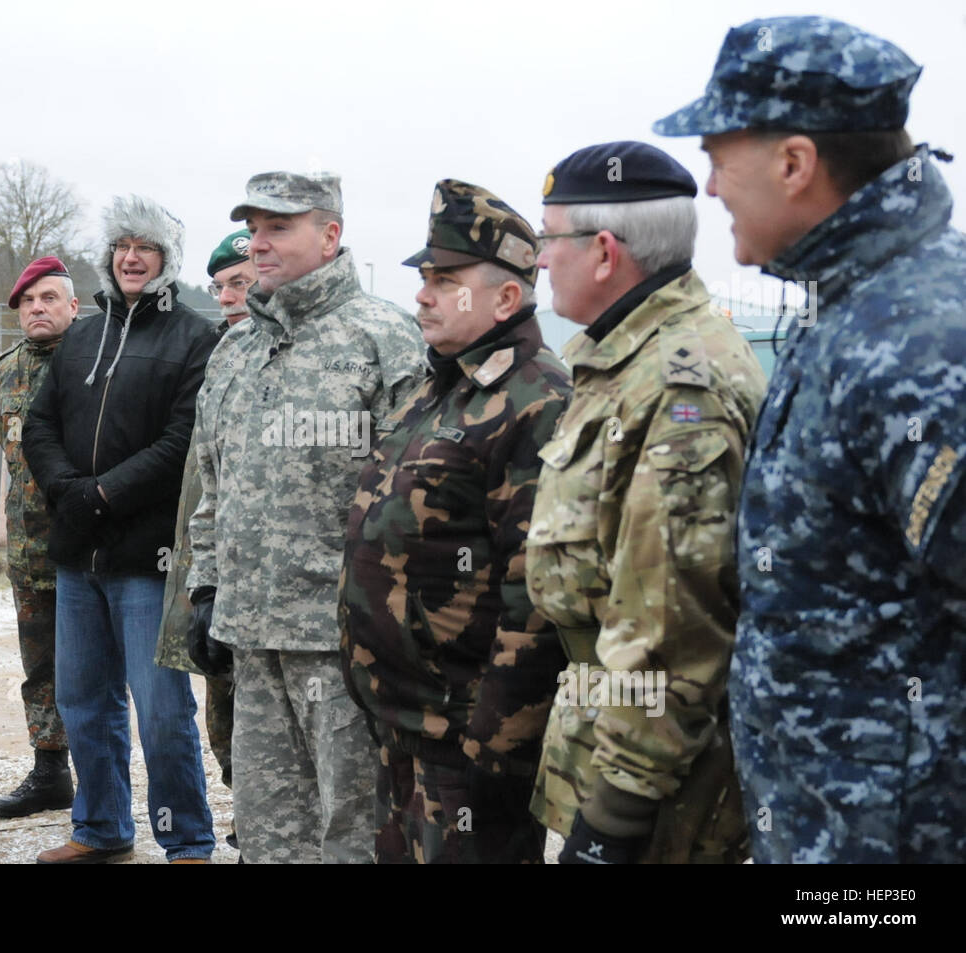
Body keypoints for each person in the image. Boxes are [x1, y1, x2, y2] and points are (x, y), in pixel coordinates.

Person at [654, 15, 966, 863]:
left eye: (719, 158)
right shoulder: (854, 308)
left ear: (794, 164)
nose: (710, 189)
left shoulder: (919, 336)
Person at [525, 142, 765, 863]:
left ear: (603, 252)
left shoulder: (678, 382)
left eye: (548, 238)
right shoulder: (621, 358)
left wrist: (618, 813)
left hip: (664, 786)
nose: (538, 258)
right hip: (615, 742)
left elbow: (671, 618)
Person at [187, 171, 427, 863]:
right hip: (252, 639)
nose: (259, 244)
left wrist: (390, 624)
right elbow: (213, 483)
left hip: (343, 643)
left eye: (279, 228)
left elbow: (413, 502)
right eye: (254, 228)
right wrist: (206, 587)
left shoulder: (384, 340)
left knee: (354, 830)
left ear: (330, 234)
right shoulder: (235, 351)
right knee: (268, 832)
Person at [339, 179, 571, 863]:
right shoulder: (436, 388)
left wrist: (494, 755)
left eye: (445, 278)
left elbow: (536, 599)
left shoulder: (538, 401)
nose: (422, 293)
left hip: (466, 747)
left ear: (506, 297)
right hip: (403, 728)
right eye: (424, 276)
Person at [24, 195, 217, 864]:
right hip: (80, 558)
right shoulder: (81, 332)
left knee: (162, 712)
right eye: (122, 245)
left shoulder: (194, 336)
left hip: (148, 560)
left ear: (166, 259)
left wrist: (102, 494)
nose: (131, 256)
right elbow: (38, 424)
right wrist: (65, 490)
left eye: (146, 246)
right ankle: (101, 827)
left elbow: (182, 442)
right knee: (83, 702)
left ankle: (187, 838)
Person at [153, 230, 255, 847]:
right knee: (222, 712)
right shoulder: (214, 355)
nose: (225, 297)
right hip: (212, 568)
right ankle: (248, 814)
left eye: (238, 283)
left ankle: (270, 826)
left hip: (278, 584)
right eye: (218, 287)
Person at [0, 256, 78, 818]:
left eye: (49, 298)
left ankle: (99, 779)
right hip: (28, 547)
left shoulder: (94, 360)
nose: (37, 308)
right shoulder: (6, 369)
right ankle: (49, 773)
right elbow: (10, 456)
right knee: (39, 666)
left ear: (73, 305)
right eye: (27, 301)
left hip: (86, 547)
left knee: (94, 671)